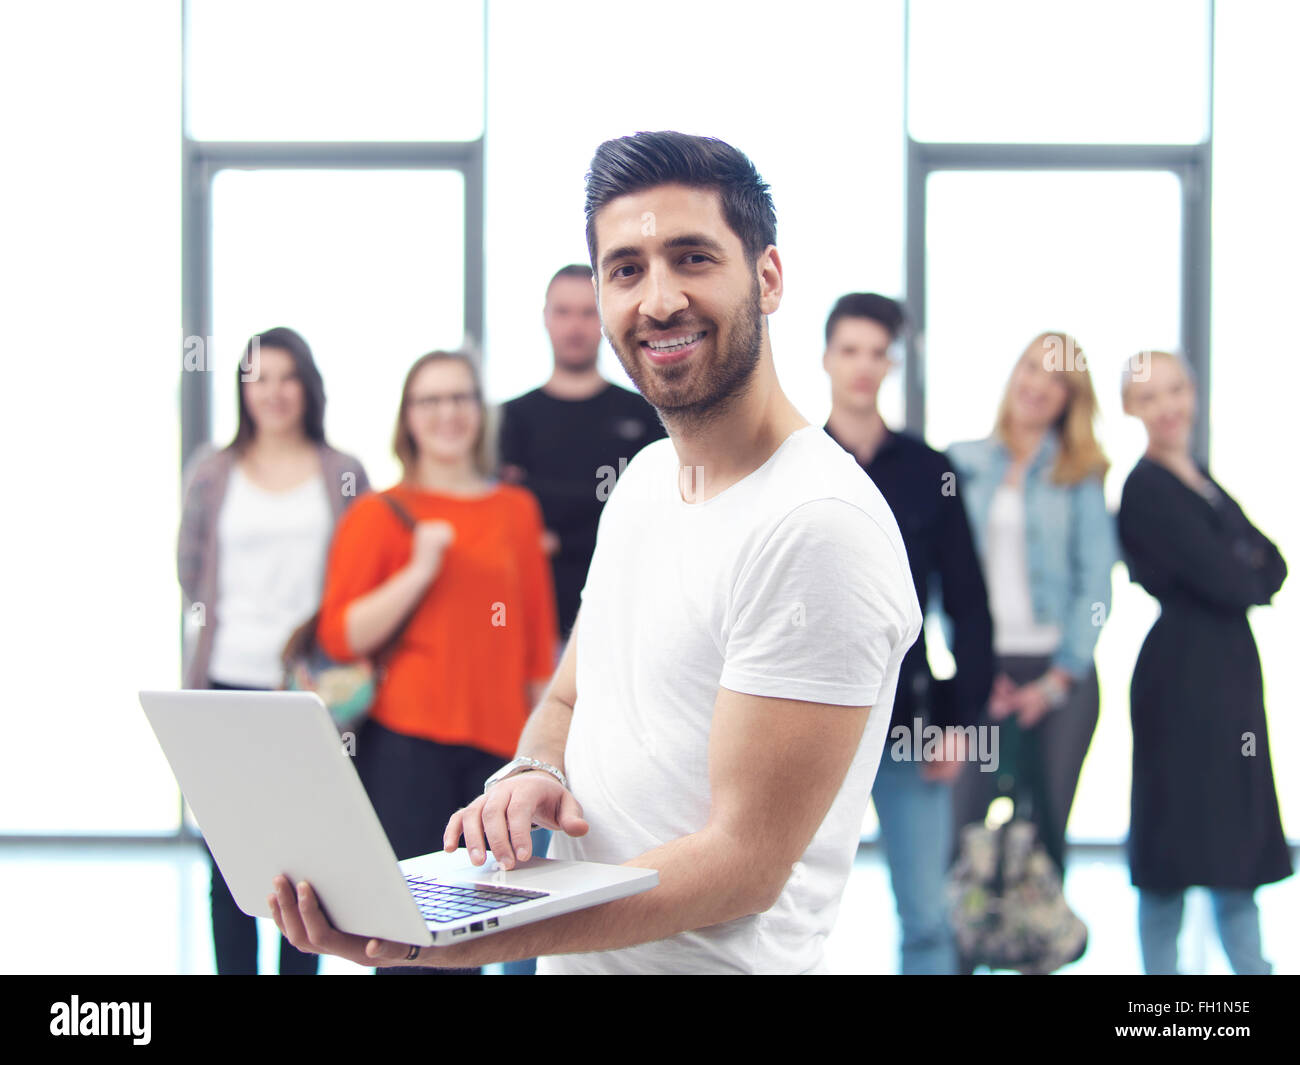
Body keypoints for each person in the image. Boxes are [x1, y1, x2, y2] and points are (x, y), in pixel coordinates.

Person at [270, 130, 923, 974]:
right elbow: (573, 693)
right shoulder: (650, 478)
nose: (657, 300)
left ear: (767, 277)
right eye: (626, 268)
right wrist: (530, 768)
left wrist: (457, 933)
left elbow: (742, 865)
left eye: (692, 258)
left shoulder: (818, 528)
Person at [313, 350, 558, 974]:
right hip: (408, 753)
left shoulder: (515, 510)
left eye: (460, 398)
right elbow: (341, 636)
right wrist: (420, 569)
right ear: (408, 418)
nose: (447, 413)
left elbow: (536, 643)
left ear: (478, 413)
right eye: (431, 400)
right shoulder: (380, 513)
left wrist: (543, 757)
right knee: (413, 945)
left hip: (499, 761)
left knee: (507, 937)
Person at [176, 326, 370, 975]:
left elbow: (361, 570)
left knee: (302, 873)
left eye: (287, 377)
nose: (273, 391)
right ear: (242, 388)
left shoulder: (342, 472)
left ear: (307, 387)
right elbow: (189, 565)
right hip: (222, 685)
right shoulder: (213, 471)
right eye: (259, 377)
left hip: (306, 694)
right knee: (228, 862)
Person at [821, 293, 993, 974]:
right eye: (849, 350)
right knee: (780, 907)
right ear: (827, 358)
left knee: (926, 915)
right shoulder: (792, 462)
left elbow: (971, 607)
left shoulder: (931, 470)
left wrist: (959, 718)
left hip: (909, 719)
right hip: (807, 717)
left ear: (892, 362)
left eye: (876, 352)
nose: (863, 366)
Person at [1117, 350, 1290, 975]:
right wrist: (1238, 563)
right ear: (1131, 409)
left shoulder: (1199, 476)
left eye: (1175, 390)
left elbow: (1273, 565)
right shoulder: (1145, 488)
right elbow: (1236, 579)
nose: (1167, 407)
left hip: (1229, 679)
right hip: (1182, 684)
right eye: (1150, 396)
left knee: (1234, 857)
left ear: (1192, 393)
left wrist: (1240, 565)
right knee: (1172, 858)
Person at [947, 332, 1116, 904]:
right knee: (963, 833)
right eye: (1031, 367)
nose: (1038, 384)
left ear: (1071, 397)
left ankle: (1036, 956)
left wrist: (1056, 681)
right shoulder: (963, 464)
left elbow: (1096, 585)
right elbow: (949, 580)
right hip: (985, 670)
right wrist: (973, 672)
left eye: (1057, 378)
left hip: (1061, 675)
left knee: (1044, 840)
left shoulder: (1081, 474)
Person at [499, 263, 667, 642]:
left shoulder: (645, 415)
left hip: (623, 624)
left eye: (588, 312)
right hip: (528, 628)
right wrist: (594, 510)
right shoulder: (508, 420)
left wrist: (556, 535)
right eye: (563, 312)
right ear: (545, 318)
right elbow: (507, 519)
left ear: (606, 317)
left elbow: (650, 517)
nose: (574, 326)